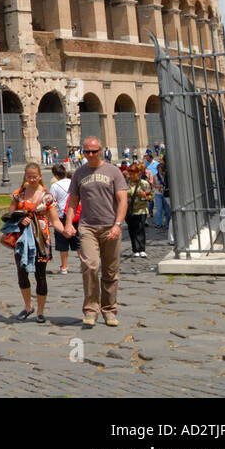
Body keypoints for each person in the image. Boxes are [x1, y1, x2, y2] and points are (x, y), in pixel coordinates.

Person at [63, 136, 129, 327]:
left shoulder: (113, 171)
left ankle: (109, 310)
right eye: (87, 151)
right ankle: (91, 309)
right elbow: (73, 201)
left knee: (110, 271)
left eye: (94, 151)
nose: (90, 155)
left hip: (110, 226)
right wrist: (69, 223)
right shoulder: (79, 173)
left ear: (101, 150)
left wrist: (118, 224)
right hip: (88, 227)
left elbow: (122, 200)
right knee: (91, 266)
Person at [9, 163, 65, 323]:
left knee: (40, 275)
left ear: (40, 176)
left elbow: (55, 220)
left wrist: (66, 230)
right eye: (29, 176)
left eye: (34, 176)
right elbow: (10, 215)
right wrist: (20, 218)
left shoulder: (47, 197)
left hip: (41, 240)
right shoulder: (18, 195)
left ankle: (40, 311)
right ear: (25, 177)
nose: (32, 179)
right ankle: (28, 307)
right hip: (22, 239)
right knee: (22, 274)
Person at [49, 166, 75, 273]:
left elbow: (51, 202)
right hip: (74, 214)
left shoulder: (55, 186)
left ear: (55, 175)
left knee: (63, 242)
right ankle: (84, 264)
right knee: (77, 242)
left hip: (60, 216)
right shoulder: (72, 182)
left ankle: (64, 267)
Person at [125, 163, 153, 258]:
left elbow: (150, 197)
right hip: (129, 210)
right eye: (130, 173)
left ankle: (142, 248)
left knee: (140, 229)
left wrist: (144, 196)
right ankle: (135, 249)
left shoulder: (144, 184)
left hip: (141, 210)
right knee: (131, 230)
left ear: (138, 173)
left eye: (134, 173)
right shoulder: (125, 183)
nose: (132, 175)